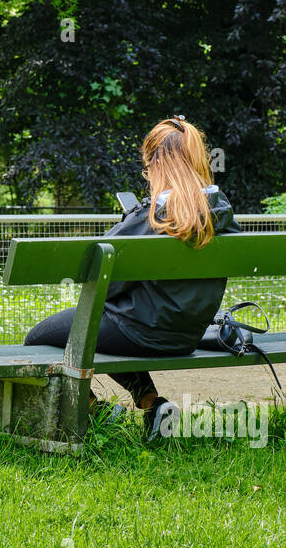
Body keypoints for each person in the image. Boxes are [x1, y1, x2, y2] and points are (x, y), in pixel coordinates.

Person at [23, 116, 241, 440]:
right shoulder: (221, 214)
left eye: (147, 165)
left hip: (141, 331)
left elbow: (102, 283)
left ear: (156, 164)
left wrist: (130, 221)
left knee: (39, 338)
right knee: (103, 329)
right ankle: (153, 405)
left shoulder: (152, 216)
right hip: (188, 335)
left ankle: (94, 412)